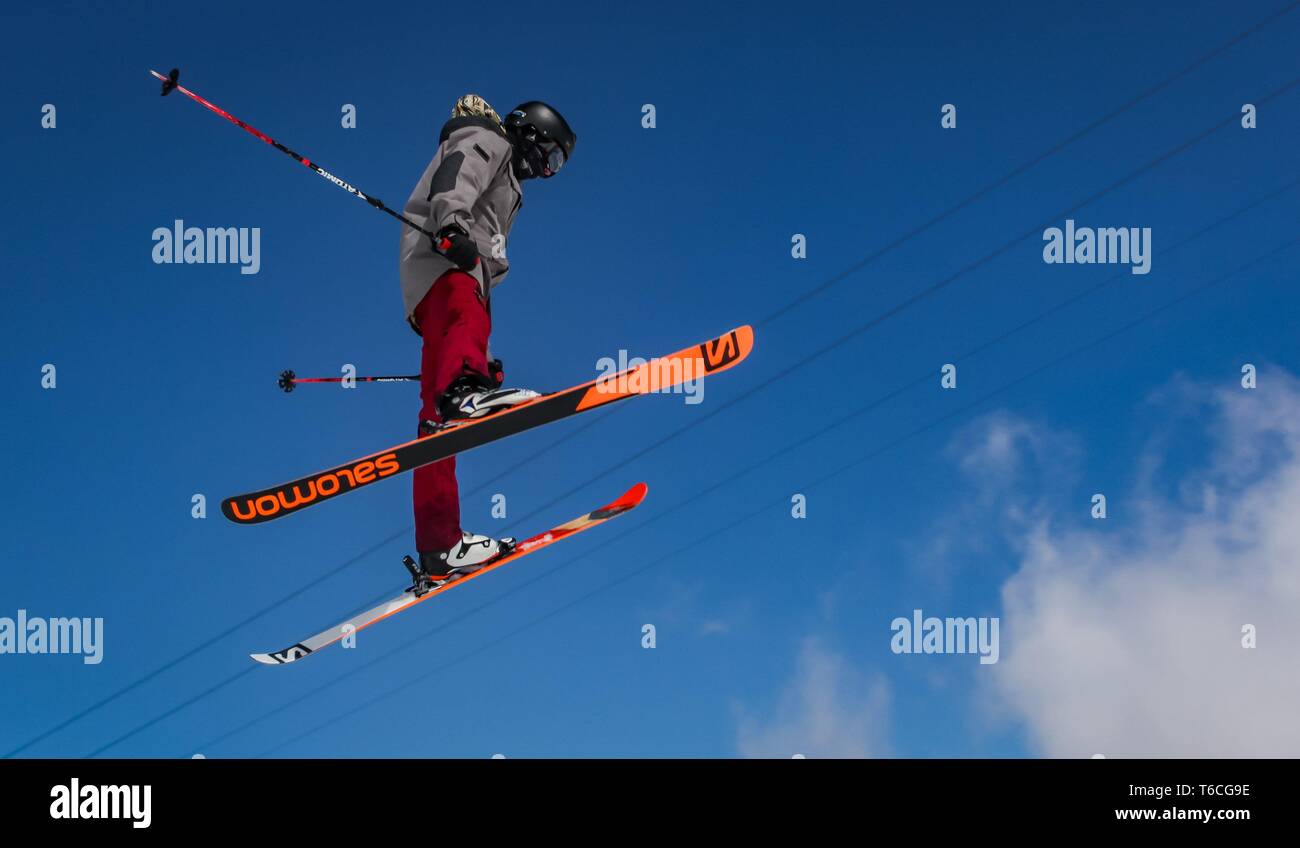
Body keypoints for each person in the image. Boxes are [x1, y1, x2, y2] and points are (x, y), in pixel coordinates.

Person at [397, 94, 577, 581]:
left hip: (440, 287)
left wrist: (483, 360)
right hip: (450, 265)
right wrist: (452, 223)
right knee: (458, 373)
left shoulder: (509, 173)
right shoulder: (488, 139)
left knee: (436, 430)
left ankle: (440, 546)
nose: (547, 168)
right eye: (551, 154)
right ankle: (464, 391)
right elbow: (458, 174)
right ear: (532, 133)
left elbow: (465, 321)